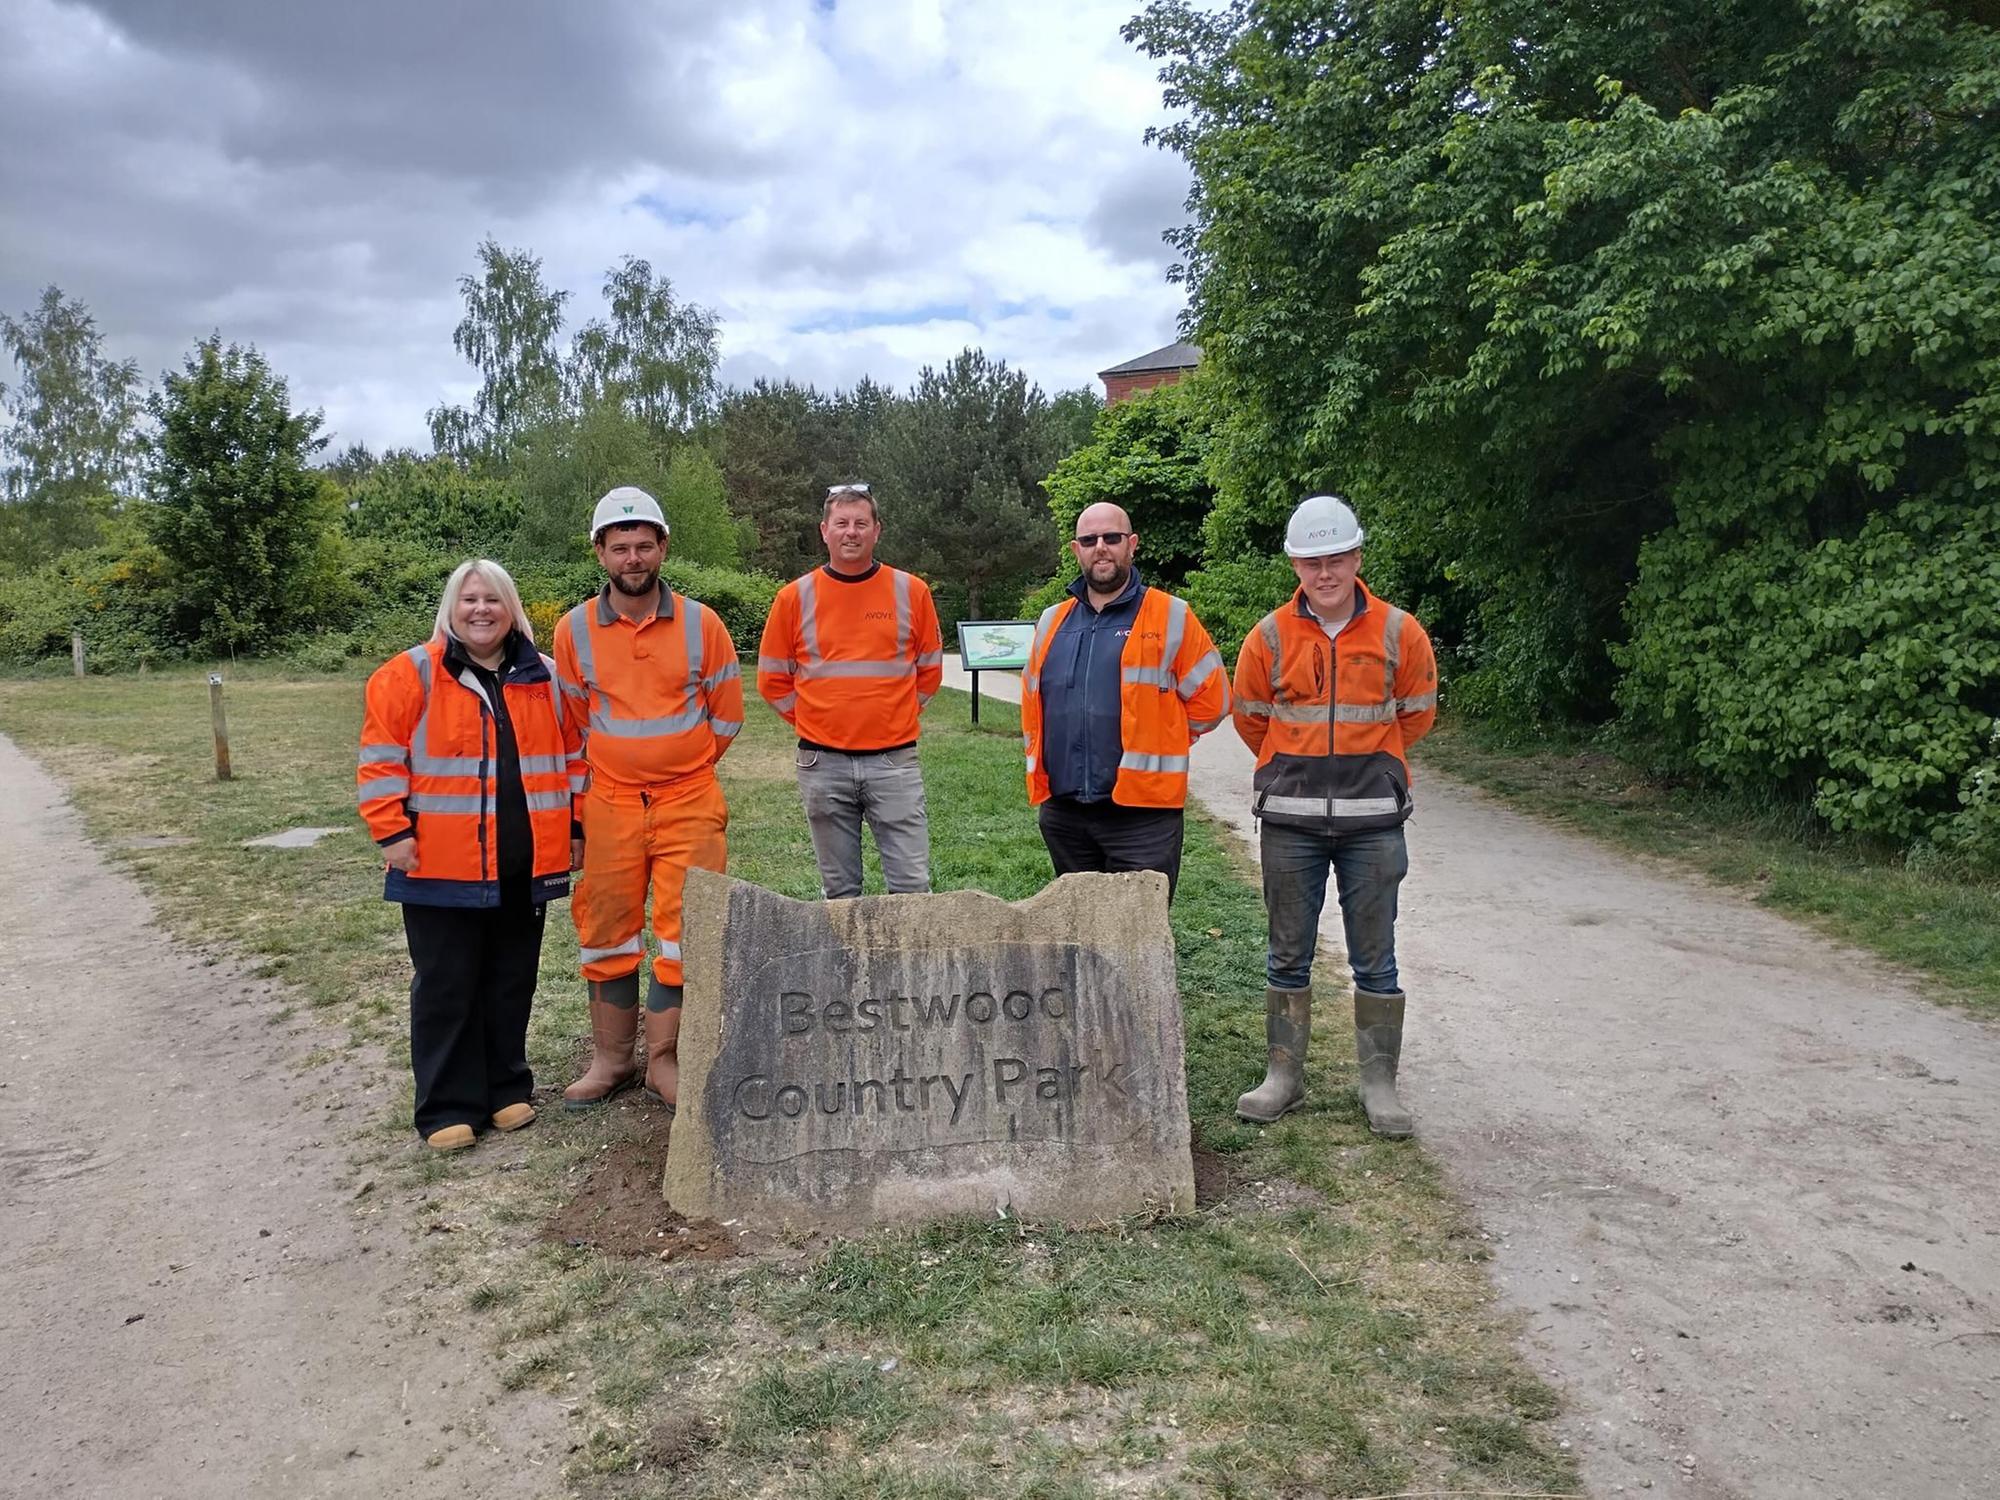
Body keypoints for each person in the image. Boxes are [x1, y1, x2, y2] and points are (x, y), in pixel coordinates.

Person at [357, 559, 583, 1152]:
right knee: (447, 984)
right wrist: (390, 831)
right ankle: (448, 1106)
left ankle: (507, 1088)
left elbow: (574, 757)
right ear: (451, 610)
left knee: (511, 981)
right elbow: (380, 761)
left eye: (493, 600)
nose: (481, 610)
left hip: (523, 862)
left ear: (512, 611)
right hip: (436, 863)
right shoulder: (408, 674)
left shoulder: (547, 677)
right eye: (469, 600)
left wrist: (576, 828)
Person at [1230, 494, 1438, 1136]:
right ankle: (1283, 1078)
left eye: (1338, 557)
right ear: (1296, 565)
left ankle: (1379, 1085)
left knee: (1376, 958)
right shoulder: (1267, 636)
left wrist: (1370, 767)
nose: (1326, 572)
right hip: (1290, 823)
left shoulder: (1402, 632)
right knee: (1286, 956)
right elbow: (1249, 717)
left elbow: (1417, 713)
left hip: (1373, 822)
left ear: (1357, 557)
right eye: (1313, 560)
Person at [553, 486, 743, 1114]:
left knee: (686, 930)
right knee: (605, 928)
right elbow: (573, 724)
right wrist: (605, 789)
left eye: (643, 546)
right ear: (600, 554)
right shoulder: (573, 630)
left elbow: (726, 716)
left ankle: (666, 1061)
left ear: (662, 547)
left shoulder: (702, 624)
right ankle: (611, 1060)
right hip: (607, 803)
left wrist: (678, 769)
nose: (632, 558)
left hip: (688, 799)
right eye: (619, 548)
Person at [1019, 501, 1230, 899]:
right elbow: (1035, 701)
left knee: (1139, 938)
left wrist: (1162, 734)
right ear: (1075, 550)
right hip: (1065, 814)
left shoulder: (1171, 615)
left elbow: (1213, 701)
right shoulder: (1051, 621)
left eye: (1111, 538)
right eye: (1089, 539)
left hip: (1143, 818)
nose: (1101, 547)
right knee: (1080, 932)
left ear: (1131, 545)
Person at [757, 482, 944, 898]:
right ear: (824, 530)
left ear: (877, 530)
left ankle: (909, 964)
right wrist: (815, 719)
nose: (851, 532)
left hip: (893, 762)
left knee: (912, 888)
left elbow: (929, 670)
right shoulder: (793, 598)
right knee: (840, 893)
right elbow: (771, 681)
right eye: (841, 523)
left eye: (861, 522)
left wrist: (893, 715)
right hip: (822, 764)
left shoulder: (911, 591)